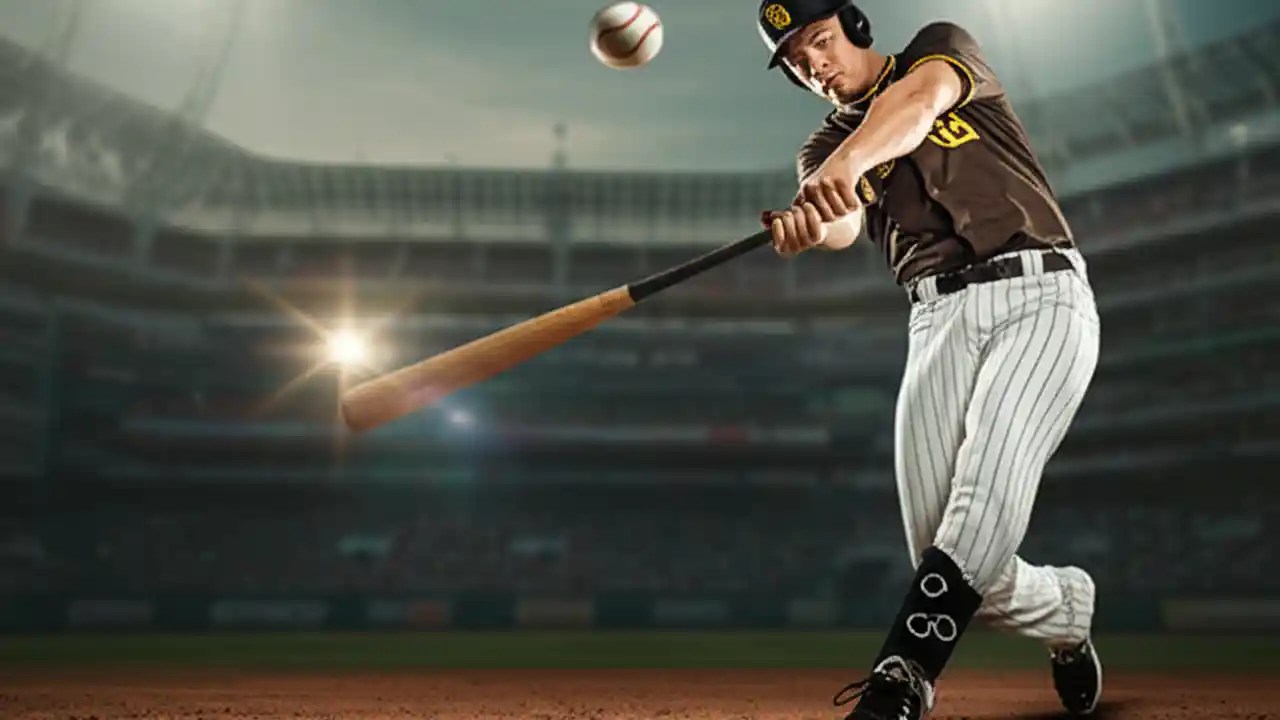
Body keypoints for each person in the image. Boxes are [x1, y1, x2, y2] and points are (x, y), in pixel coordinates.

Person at [755, 1, 1104, 718]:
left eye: (820, 40)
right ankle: (1068, 610)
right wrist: (811, 223)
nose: (814, 65)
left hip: (1039, 294)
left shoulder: (938, 49)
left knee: (980, 502)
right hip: (935, 319)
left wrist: (848, 165)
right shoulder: (821, 150)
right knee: (954, 563)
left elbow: (917, 105)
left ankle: (903, 676)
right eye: (795, 60)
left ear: (854, 26)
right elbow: (842, 224)